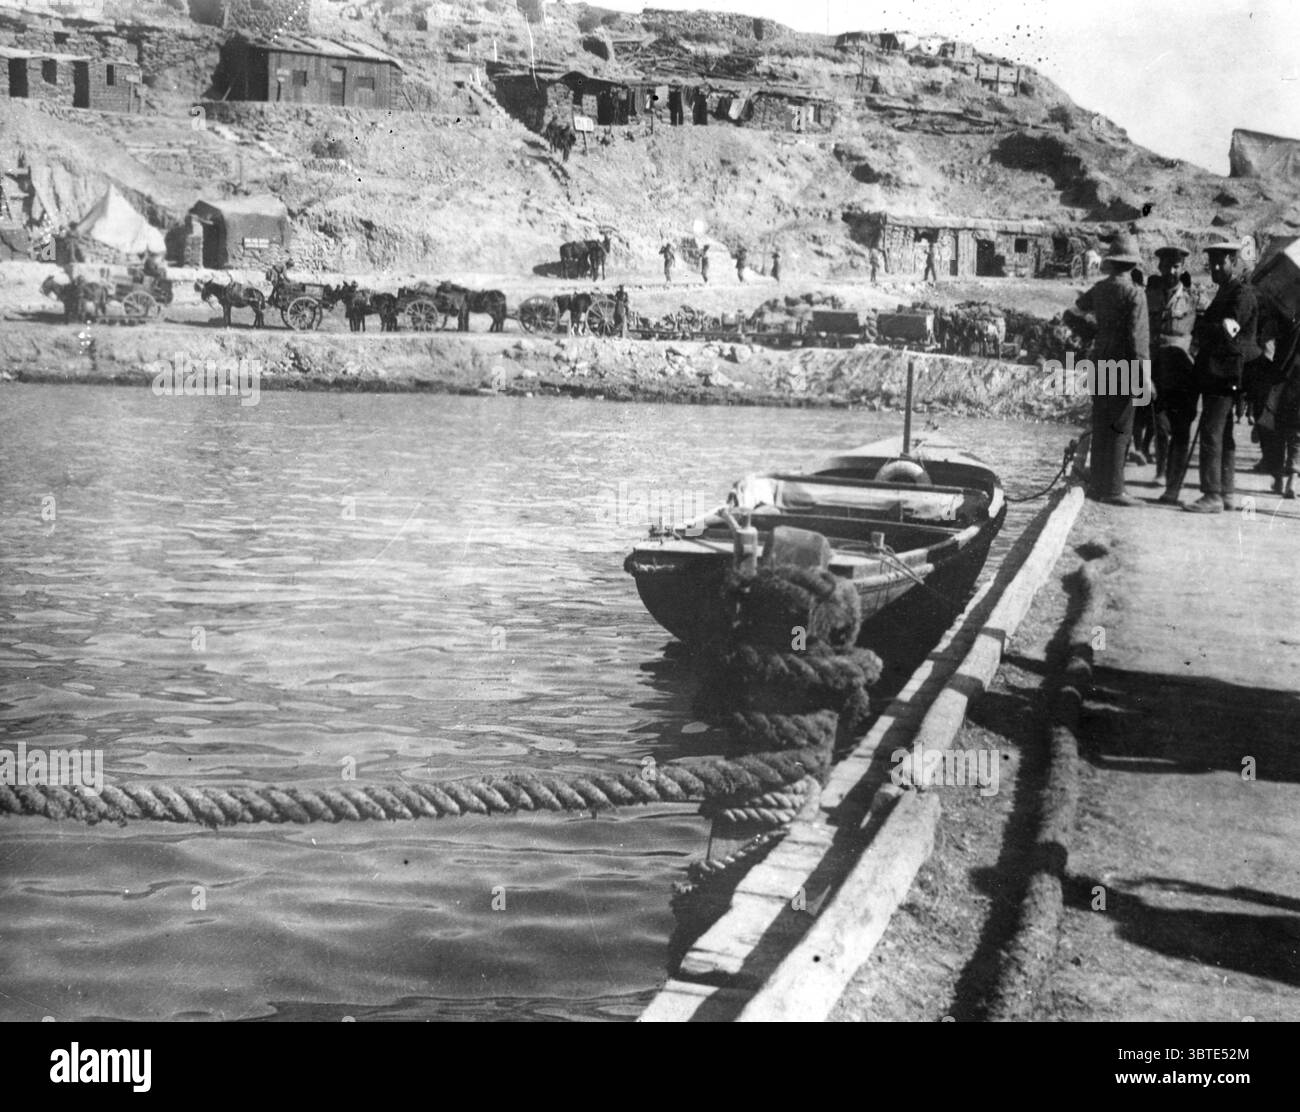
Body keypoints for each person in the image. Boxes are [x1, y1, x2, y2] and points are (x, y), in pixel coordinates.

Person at [1073, 232, 1151, 506]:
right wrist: (1146, 379)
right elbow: (1138, 340)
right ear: (1133, 265)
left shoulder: (1100, 289)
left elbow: (1073, 312)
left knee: (1102, 423)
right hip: (1124, 365)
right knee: (1121, 427)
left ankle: (1097, 484)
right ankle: (1115, 489)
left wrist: (1091, 333)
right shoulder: (1135, 293)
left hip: (1100, 362)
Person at [1185, 237, 1260, 513]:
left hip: (1225, 372)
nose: (1215, 267)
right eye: (1212, 262)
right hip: (1223, 372)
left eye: (1221, 262)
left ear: (1234, 262)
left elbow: (1230, 329)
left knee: (1211, 430)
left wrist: (1203, 326)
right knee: (1224, 431)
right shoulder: (1227, 291)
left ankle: (1212, 495)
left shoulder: (1240, 294)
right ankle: (1226, 491)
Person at [1145, 245, 1198, 501]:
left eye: (1176, 266)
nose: (1171, 271)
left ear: (1183, 268)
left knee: (1180, 430)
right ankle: (1161, 471)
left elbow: (1204, 331)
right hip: (1157, 368)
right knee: (1160, 426)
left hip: (1183, 371)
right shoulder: (1150, 297)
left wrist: (1195, 358)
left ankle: (1173, 486)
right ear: (1160, 267)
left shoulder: (1194, 299)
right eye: (1166, 266)